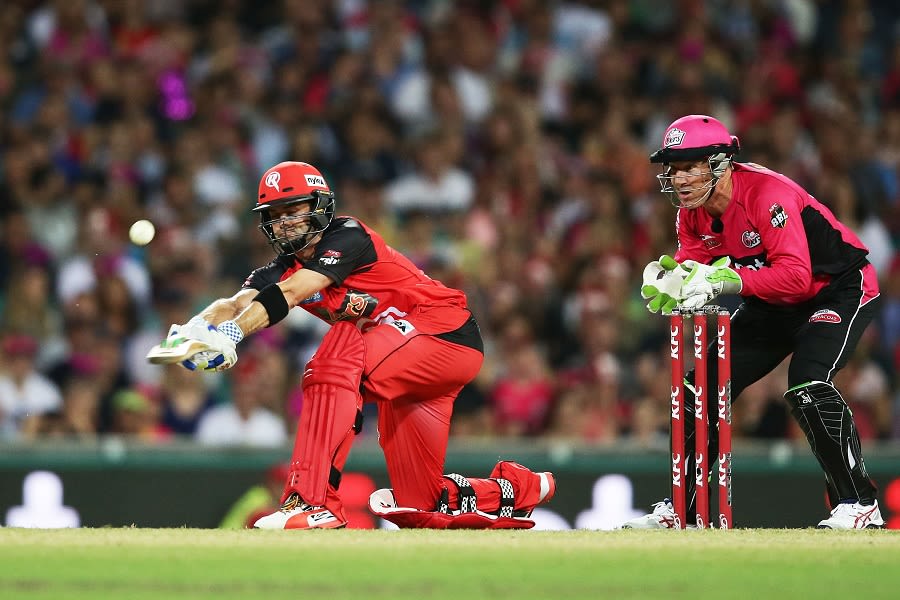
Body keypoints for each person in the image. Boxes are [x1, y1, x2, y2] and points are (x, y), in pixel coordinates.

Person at [148, 161, 555, 529]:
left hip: (442, 333)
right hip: (406, 359)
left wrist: (233, 335)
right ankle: (517, 489)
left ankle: (311, 502)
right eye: (276, 215)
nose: (285, 223)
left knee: (338, 352)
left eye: (294, 210)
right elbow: (236, 301)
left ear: (320, 205)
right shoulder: (281, 267)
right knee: (420, 503)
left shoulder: (349, 234)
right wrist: (192, 329)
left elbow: (294, 290)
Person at [628, 115, 883, 529]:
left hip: (836, 288)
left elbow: (798, 279)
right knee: (699, 388)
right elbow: (696, 260)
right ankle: (684, 511)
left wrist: (728, 280)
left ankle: (859, 503)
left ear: (720, 162)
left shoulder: (768, 196)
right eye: (673, 168)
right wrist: (671, 278)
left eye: (690, 166)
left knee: (807, 383)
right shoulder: (692, 213)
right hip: (771, 301)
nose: (679, 178)